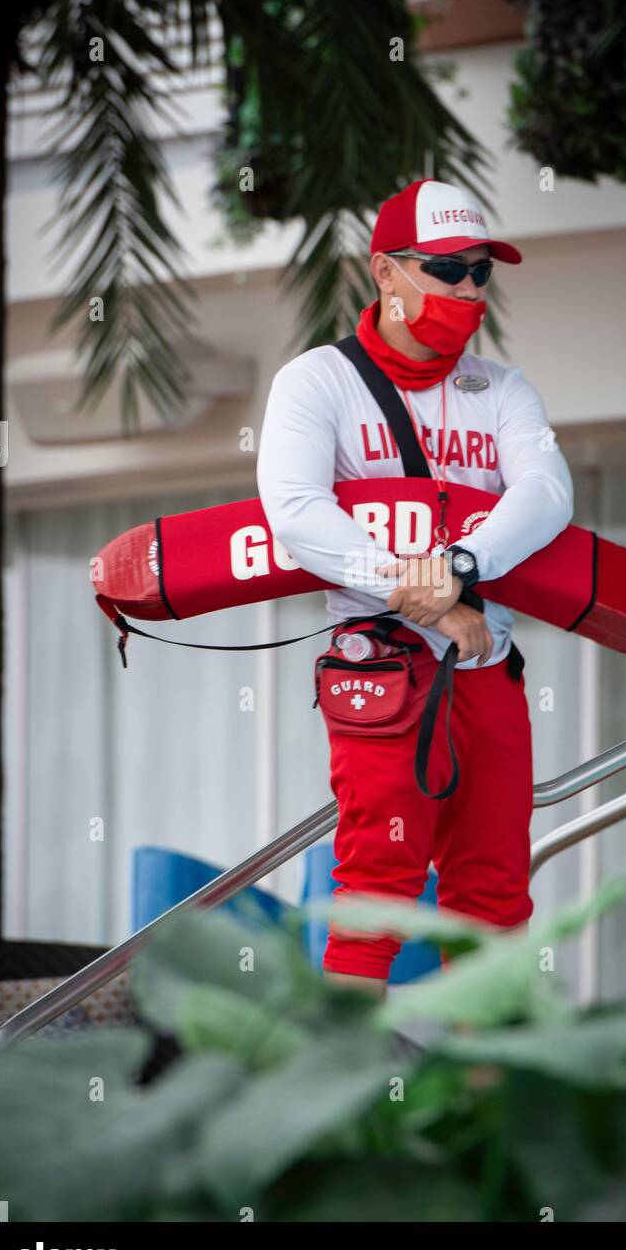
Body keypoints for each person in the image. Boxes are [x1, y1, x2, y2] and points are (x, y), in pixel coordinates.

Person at [257, 178, 574, 997]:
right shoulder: (315, 381)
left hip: (487, 668)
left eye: (480, 272)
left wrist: (458, 571)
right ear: (386, 274)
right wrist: (422, 593)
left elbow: (546, 496)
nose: (468, 289)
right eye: (446, 269)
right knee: (374, 894)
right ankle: (351, 1117)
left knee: (496, 903)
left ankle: (491, 1111)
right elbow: (296, 514)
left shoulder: (503, 389)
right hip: (381, 670)